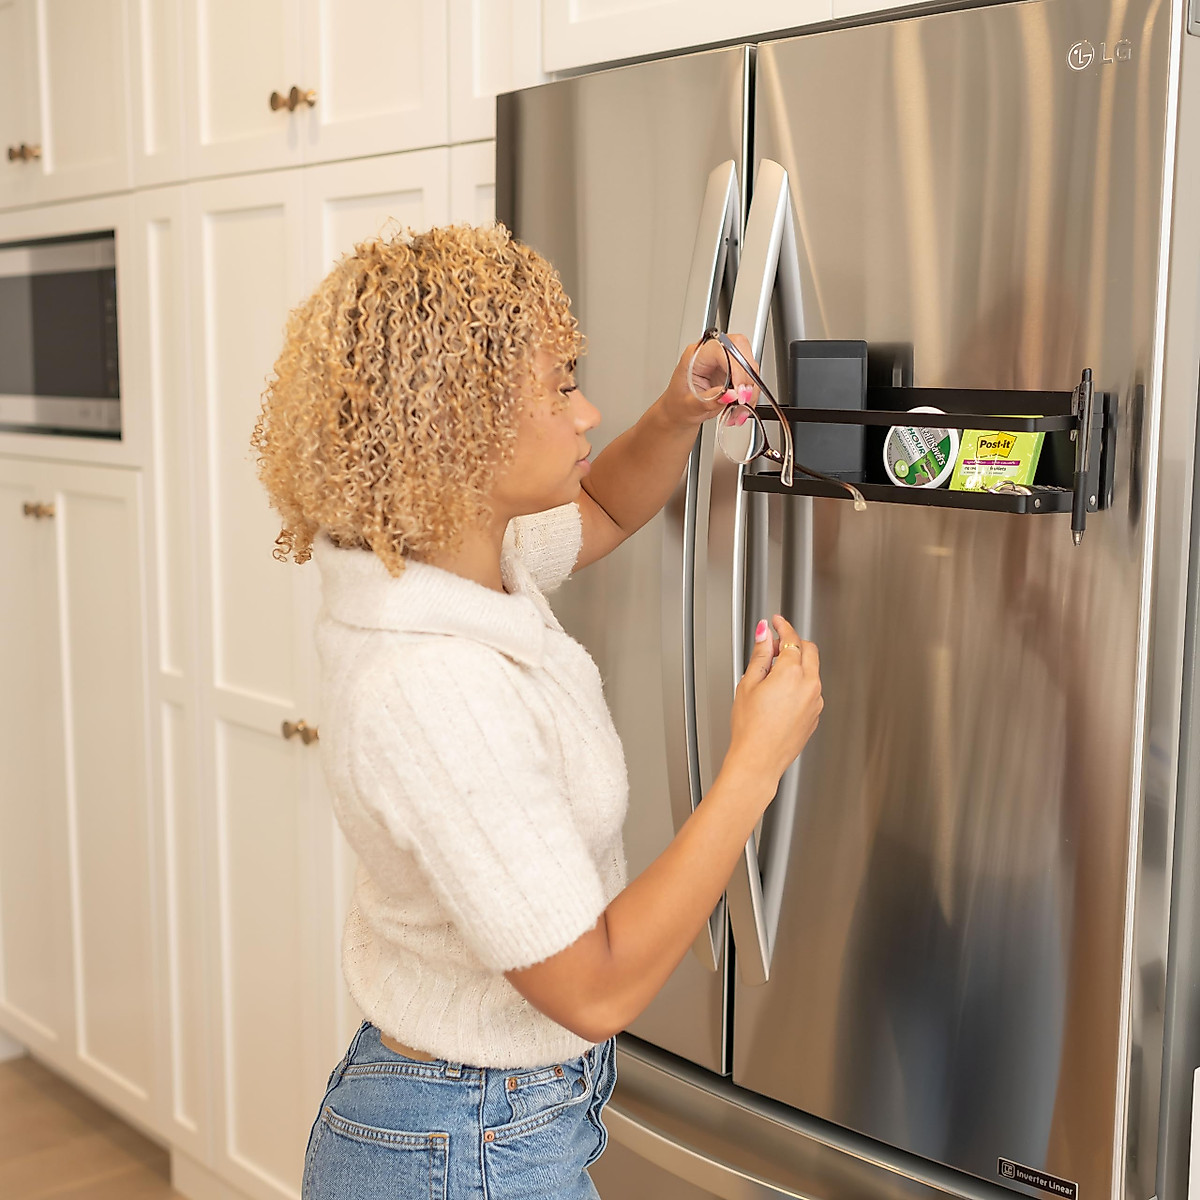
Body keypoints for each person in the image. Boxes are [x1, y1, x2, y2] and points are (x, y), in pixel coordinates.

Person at [251, 223, 823, 1200]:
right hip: (466, 1148)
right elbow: (592, 989)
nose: (586, 409)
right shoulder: (433, 686)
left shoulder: (456, 561)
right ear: (457, 429)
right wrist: (753, 770)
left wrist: (674, 415)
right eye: (559, 389)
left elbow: (604, 509)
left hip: (484, 1121)